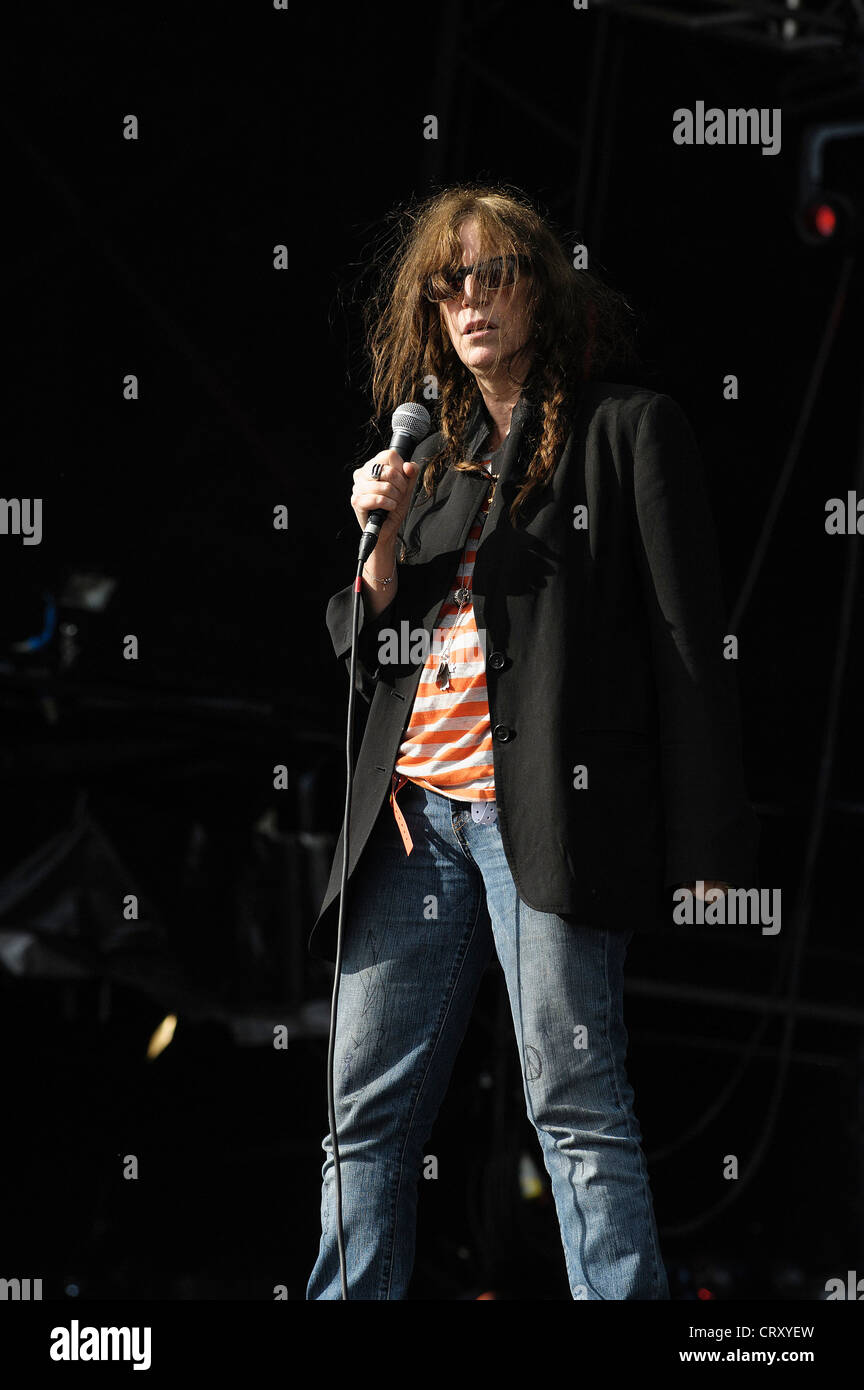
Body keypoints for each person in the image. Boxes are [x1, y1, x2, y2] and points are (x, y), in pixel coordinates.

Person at [305, 184, 760, 1300]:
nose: (470, 300)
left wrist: (707, 842)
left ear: (541, 290)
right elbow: (363, 652)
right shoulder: (433, 457)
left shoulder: (625, 430)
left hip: (542, 818)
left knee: (576, 1101)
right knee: (360, 1114)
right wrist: (380, 544)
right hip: (414, 819)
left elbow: (686, 649)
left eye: (494, 273)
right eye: (449, 282)